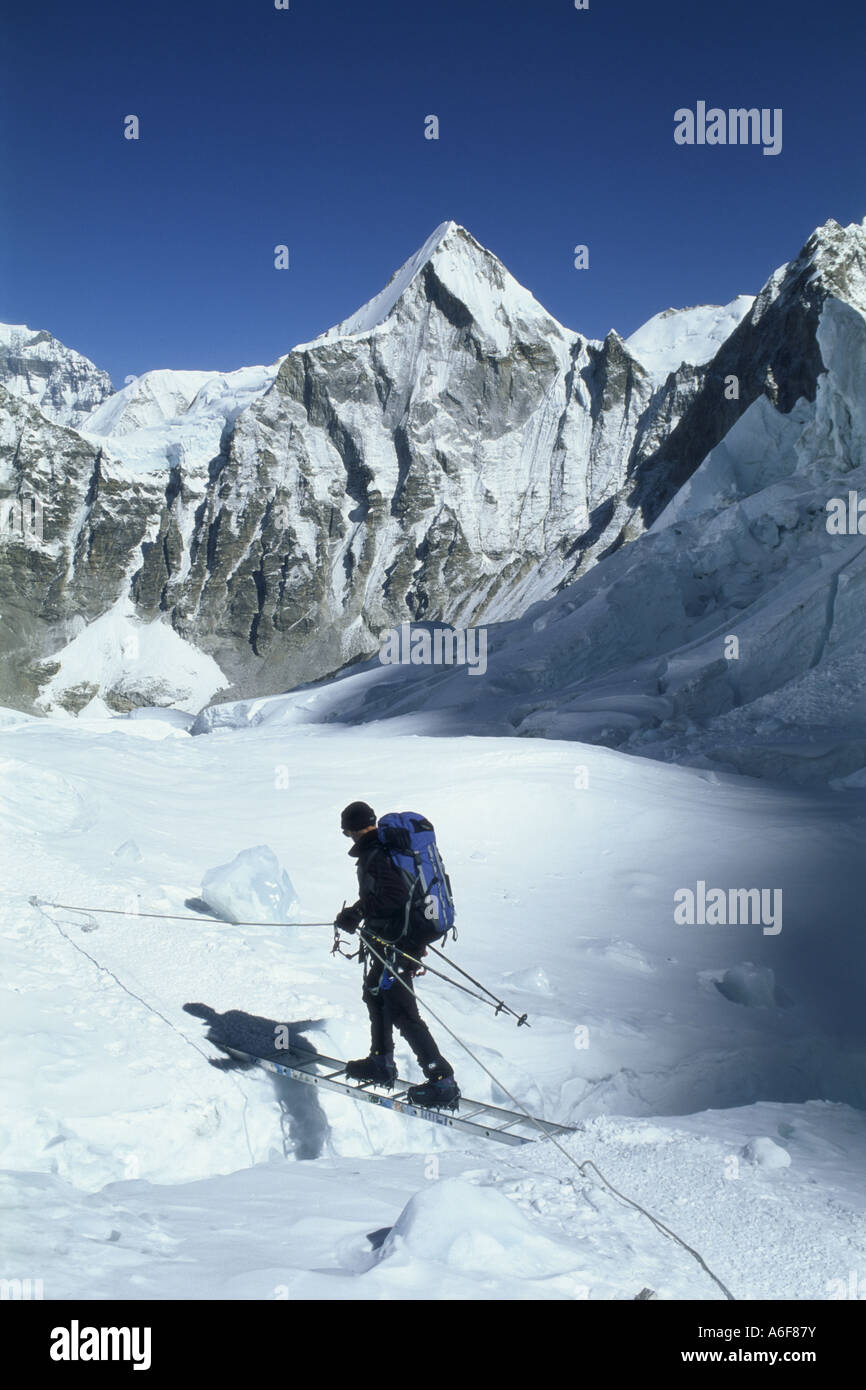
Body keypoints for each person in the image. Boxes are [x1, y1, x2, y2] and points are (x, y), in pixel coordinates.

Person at [334, 800, 460, 1110]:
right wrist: (360, 912)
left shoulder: (377, 854)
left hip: (398, 941)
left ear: (349, 830)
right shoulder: (389, 849)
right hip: (403, 937)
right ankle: (381, 1061)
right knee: (375, 992)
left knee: (401, 1008)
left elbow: (393, 897)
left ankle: (441, 1079)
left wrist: (356, 915)